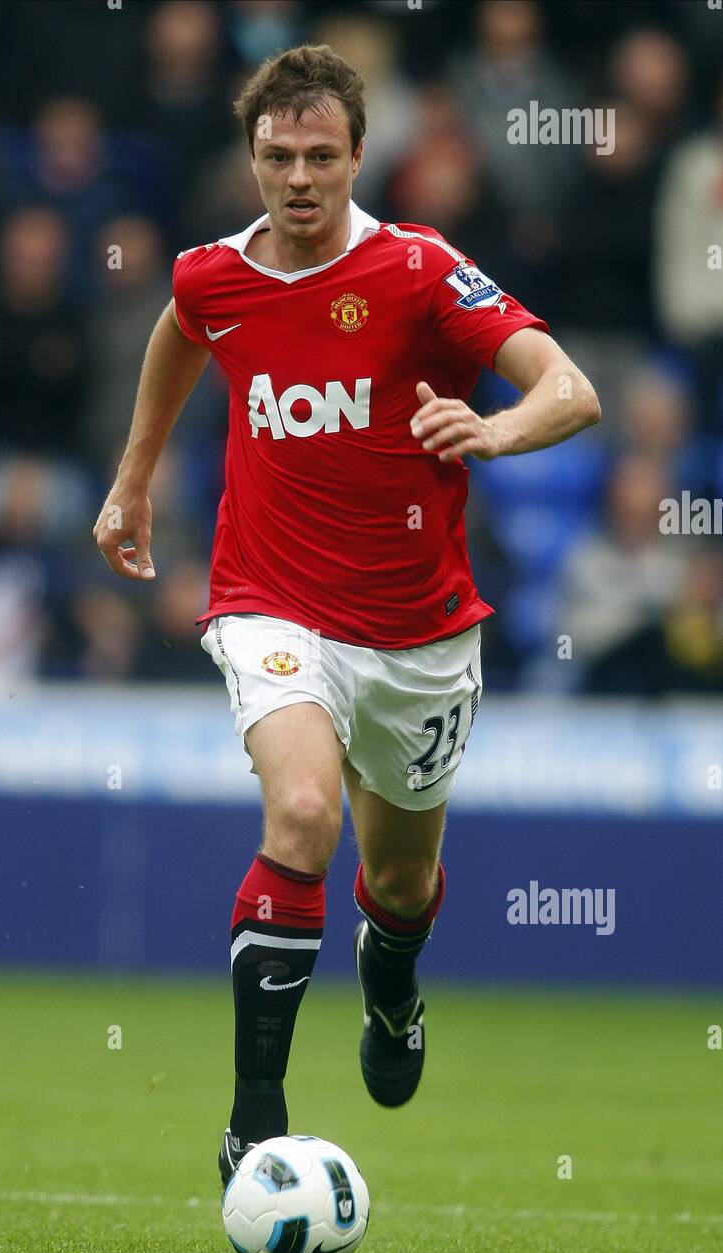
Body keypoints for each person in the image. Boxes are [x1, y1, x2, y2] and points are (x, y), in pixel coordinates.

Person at [93, 44, 601, 1185]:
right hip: (271, 605)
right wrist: (134, 477)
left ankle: (392, 983)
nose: (299, 178)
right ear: (251, 157)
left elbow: (571, 390)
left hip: (419, 632)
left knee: (403, 883)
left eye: (321, 156)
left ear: (360, 156)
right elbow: (181, 330)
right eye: (278, 156)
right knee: (304, 812)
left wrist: (493, 430)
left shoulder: (420, 269)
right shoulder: (212, 277)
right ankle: (255, 1123)